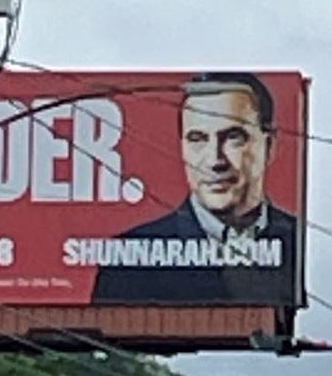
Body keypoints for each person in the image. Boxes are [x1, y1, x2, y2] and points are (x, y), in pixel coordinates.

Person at [87, 72, 300, 305]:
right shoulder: (127, 262)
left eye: (232, 137)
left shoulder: (298, 244)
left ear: (269, 145)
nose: (215, 161)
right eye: (198, 139)